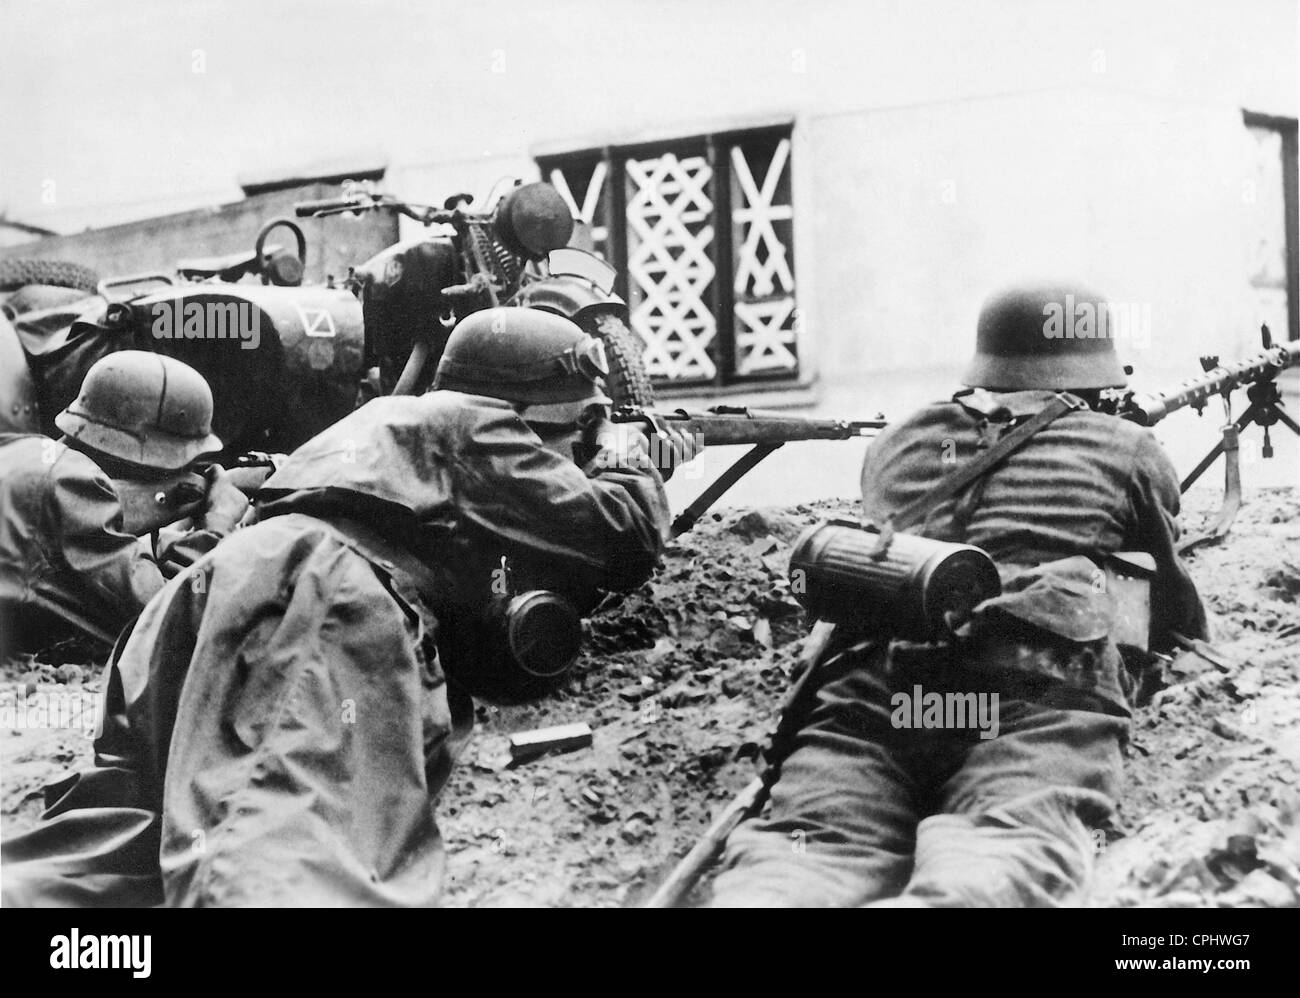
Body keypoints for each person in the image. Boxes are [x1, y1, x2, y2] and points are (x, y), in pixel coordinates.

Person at [1, 307, 695, 907]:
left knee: (120, 846)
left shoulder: (389, 427)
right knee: (285, 846)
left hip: (210, 602)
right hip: (320, 600)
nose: (575, 457)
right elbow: (621, 534)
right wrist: (629, 457)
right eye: (577, 437)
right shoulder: (473, 422)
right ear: (538, 415)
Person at [711, 282, 1207, 907]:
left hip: (883, 693)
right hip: (1033, 700)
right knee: (1001, 849)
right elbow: (1171, 601)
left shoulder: (900, 442)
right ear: (1093, 372)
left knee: (806, 851)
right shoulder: (1128, 448)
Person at [0, 350, 248, 663]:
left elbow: (97, 562)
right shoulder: (72, 486)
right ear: (157, 452)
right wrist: (218, 526)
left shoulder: (28, 454)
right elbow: (170, 617)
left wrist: (175, 539)